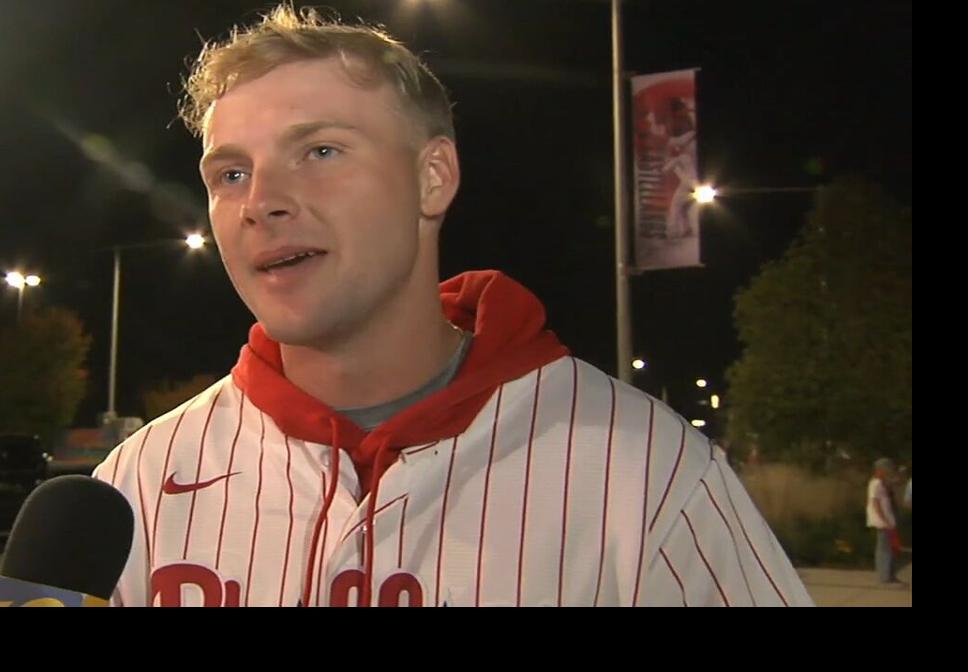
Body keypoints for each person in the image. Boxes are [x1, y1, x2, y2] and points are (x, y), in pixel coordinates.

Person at [93, 4, 812, 607]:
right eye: (232, 172)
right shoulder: (135, 487)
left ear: (432, 179)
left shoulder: (650, 476)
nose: (262, 203)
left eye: (319, 152)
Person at [867, 457, 903, 585]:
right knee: (884, 549)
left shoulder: (883, 483)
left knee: (891, 547)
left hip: (889, 520)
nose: (888, 472)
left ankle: (890, 574)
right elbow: (875, 503)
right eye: (886, 470)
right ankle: (885, 576)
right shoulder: (875, 483)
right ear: (880, 470)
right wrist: (883, 520)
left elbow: (893, 484)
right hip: (883, 522)